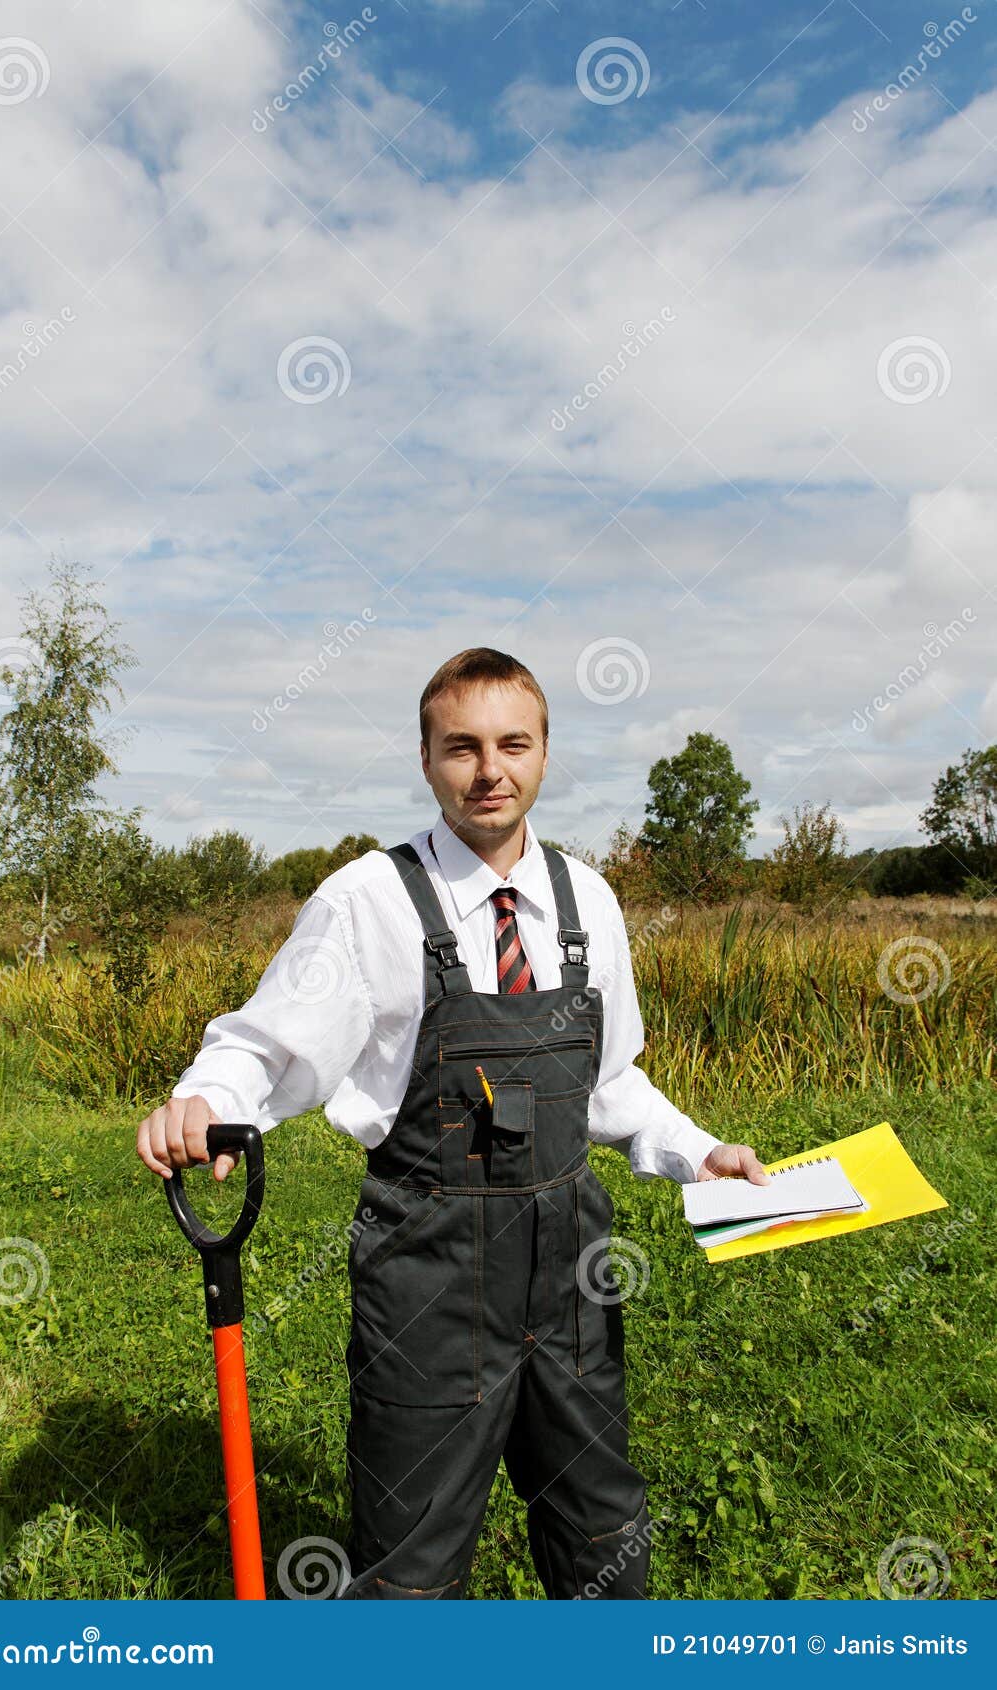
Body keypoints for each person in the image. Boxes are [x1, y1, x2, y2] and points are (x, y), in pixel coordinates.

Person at [136, 647, 769, 1599]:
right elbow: (268, 1045)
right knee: (410, 1559)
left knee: (602, 1532)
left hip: (571, 1268)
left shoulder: (587, 901)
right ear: (426, 759)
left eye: (513, 743)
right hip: (428, 1270)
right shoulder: (366, 902)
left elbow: (610, 1083)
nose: (489, 770)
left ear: (545, 754)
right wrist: (207, 1102)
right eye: (461, 747)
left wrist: (698, 1152)